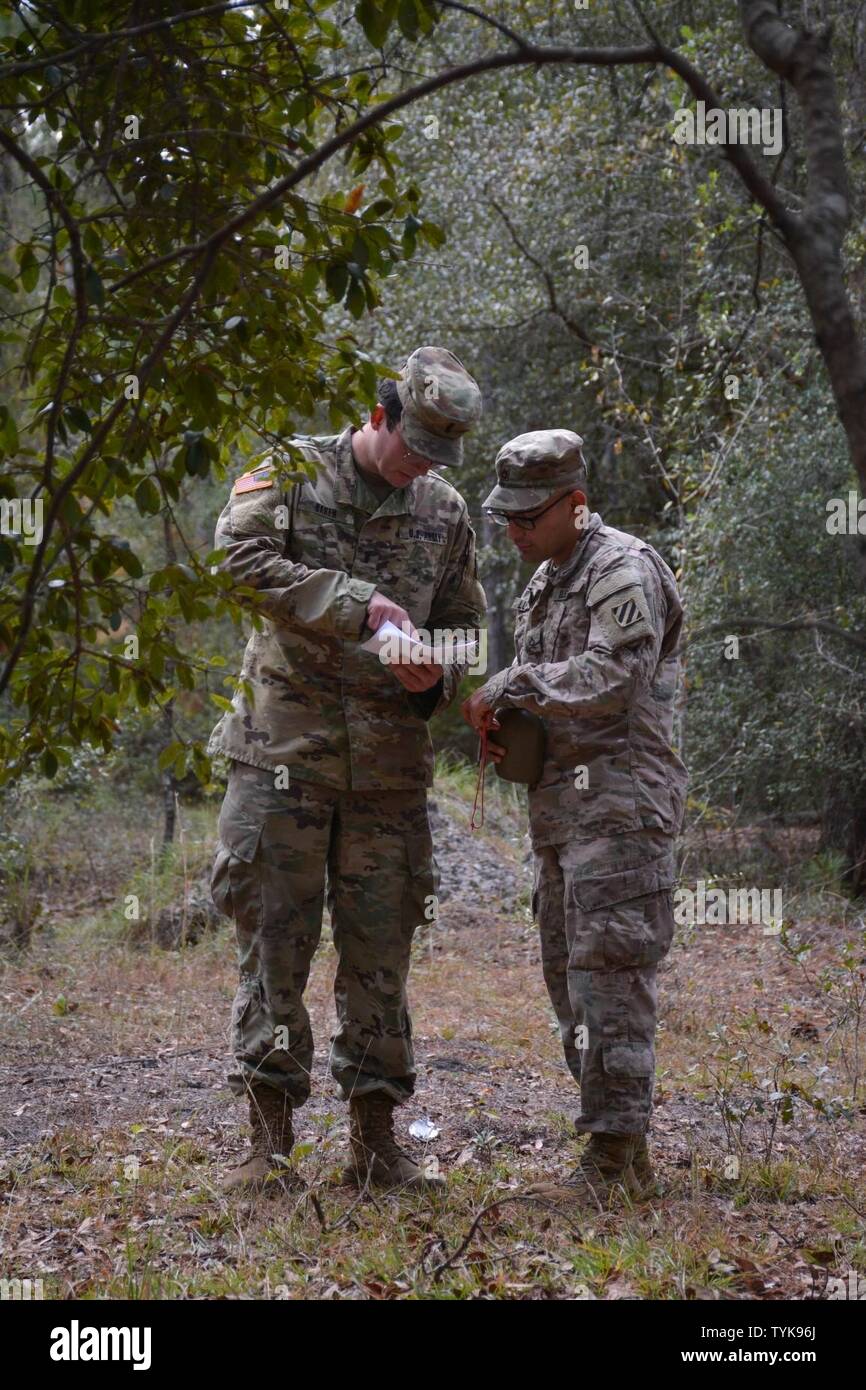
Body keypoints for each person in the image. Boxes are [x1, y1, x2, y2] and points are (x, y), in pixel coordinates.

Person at [208, 346, 485, 1195]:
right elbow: (238, 561)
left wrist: (434, 669)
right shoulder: (288, 471)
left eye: (439, 460)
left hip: (389, 779)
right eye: (413, 451)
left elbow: (467, 628)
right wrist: (357, 605)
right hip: (282, 761)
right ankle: (268, 1145)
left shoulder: (445, 508)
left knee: (379, 958)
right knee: (275, 948)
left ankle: (375, 1143)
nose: (420, 473)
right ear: (380, 417)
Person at [462, 429, 686, 1205]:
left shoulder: (620, 567)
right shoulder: (550, 578)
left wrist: (516, 686)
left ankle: (612, 1157)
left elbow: (617, 675)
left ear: (576, 504)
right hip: (561, 813)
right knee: (568, 976)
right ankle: (621, 1152)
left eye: (529, 517)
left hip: (621, 811)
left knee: (609, 976)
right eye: (508, 518)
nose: (515, 531)